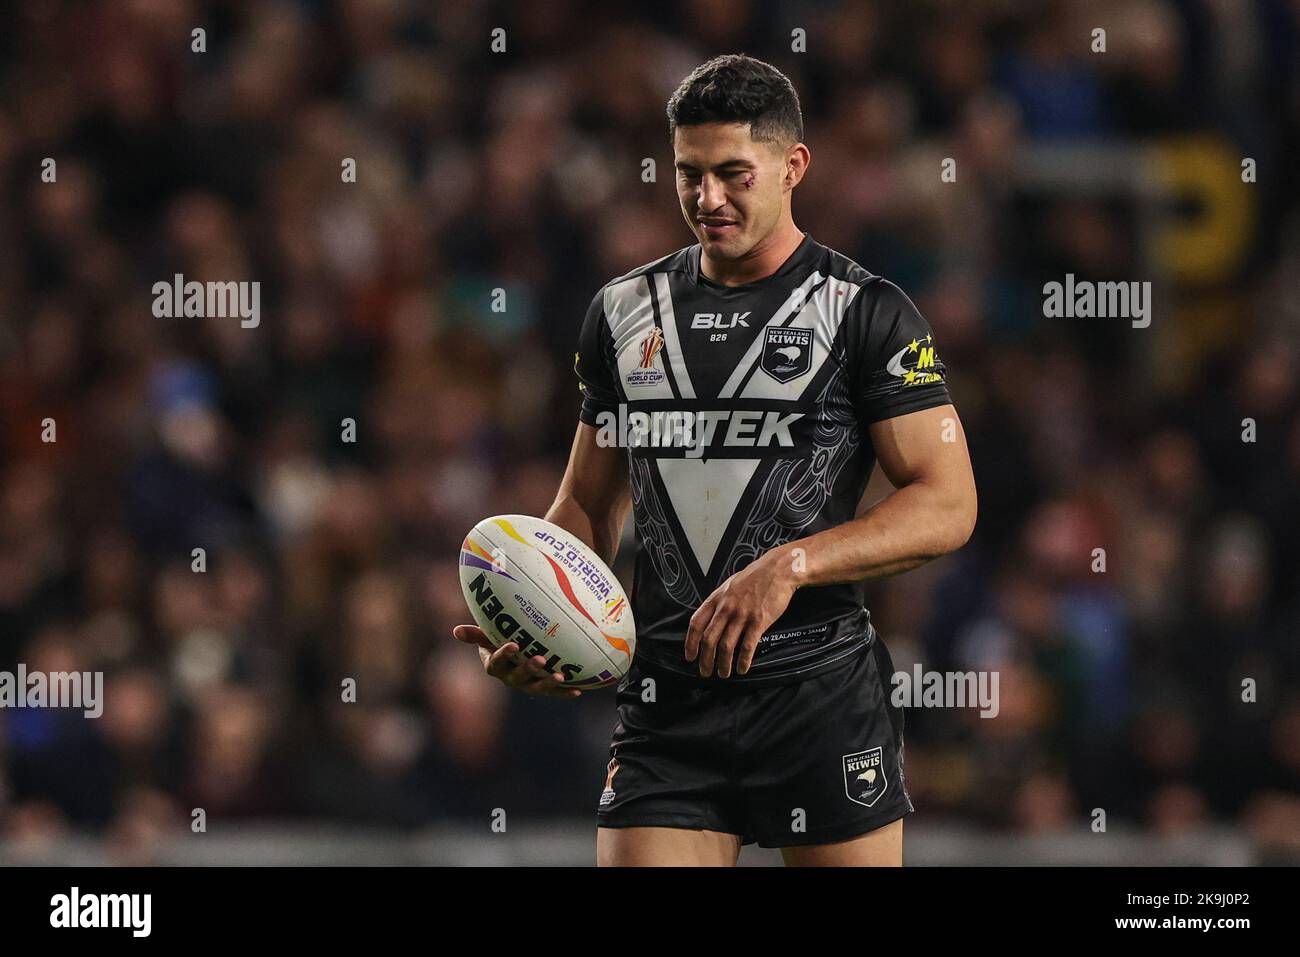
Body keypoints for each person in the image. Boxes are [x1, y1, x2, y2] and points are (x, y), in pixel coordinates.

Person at [454, 54, 977, 866]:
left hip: (821, 690)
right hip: (669, 702)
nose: (707, 199)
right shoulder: (621, 312)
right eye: (688, 174)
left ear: (793, 166)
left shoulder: (866, 312)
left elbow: (948, 503)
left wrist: (791, 564)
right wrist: (545, 620)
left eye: (734, 174)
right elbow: (587, 505)